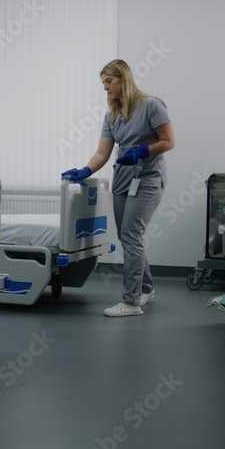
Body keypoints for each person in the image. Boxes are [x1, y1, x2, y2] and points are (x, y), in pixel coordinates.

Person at [61, 59, 174, 317]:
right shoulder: (111, 115)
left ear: (123, 78)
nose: (105, 88)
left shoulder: (152, 106)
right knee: (127, 236)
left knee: (132, 234)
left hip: (148, 178)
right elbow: (102, 153)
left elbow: (169, 141)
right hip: (123, 179)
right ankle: (145, 288)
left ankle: (132, 302)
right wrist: (85, 170)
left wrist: (143, 151)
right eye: (103, 83)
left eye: (108, 81)